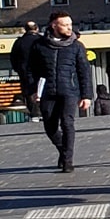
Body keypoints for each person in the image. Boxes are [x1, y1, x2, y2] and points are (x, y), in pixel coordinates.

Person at [26, 12, 92, 173]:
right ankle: (63, 150)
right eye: (65, 25)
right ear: (54, 26)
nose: (70, 28)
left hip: (69, 90)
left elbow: (84, 71)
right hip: (47, 91)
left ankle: (68, 160)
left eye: (70, 24)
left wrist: (86, 95)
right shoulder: (39, 45)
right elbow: (30, 70)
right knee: (50, 125)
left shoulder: (76, 46)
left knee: (67, 123)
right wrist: (33, 90)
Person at [9, 20, 39, 94]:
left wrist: (18, 69)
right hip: (40, 73)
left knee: (29, 96)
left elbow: (13, 58)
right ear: (36, 28)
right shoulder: (41, 40)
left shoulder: (19, 42)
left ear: (25, 29)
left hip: (24, 73)